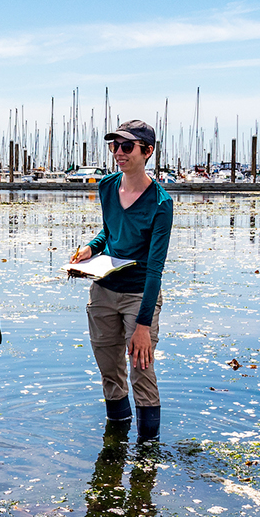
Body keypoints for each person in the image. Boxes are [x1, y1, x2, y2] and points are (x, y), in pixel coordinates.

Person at [69, 120, 173, 440]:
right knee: (109, 369)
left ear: (148, 151)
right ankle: (116, 439)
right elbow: (109, 232)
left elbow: (155, 269)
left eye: (127, 146)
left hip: (139, 293)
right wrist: (91, 247)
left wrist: (142, 325)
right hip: (102, 289)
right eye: (114, 146)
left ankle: (147, 448)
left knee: (141, 369)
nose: (118, 152)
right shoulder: (107, 187)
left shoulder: (161, 203)